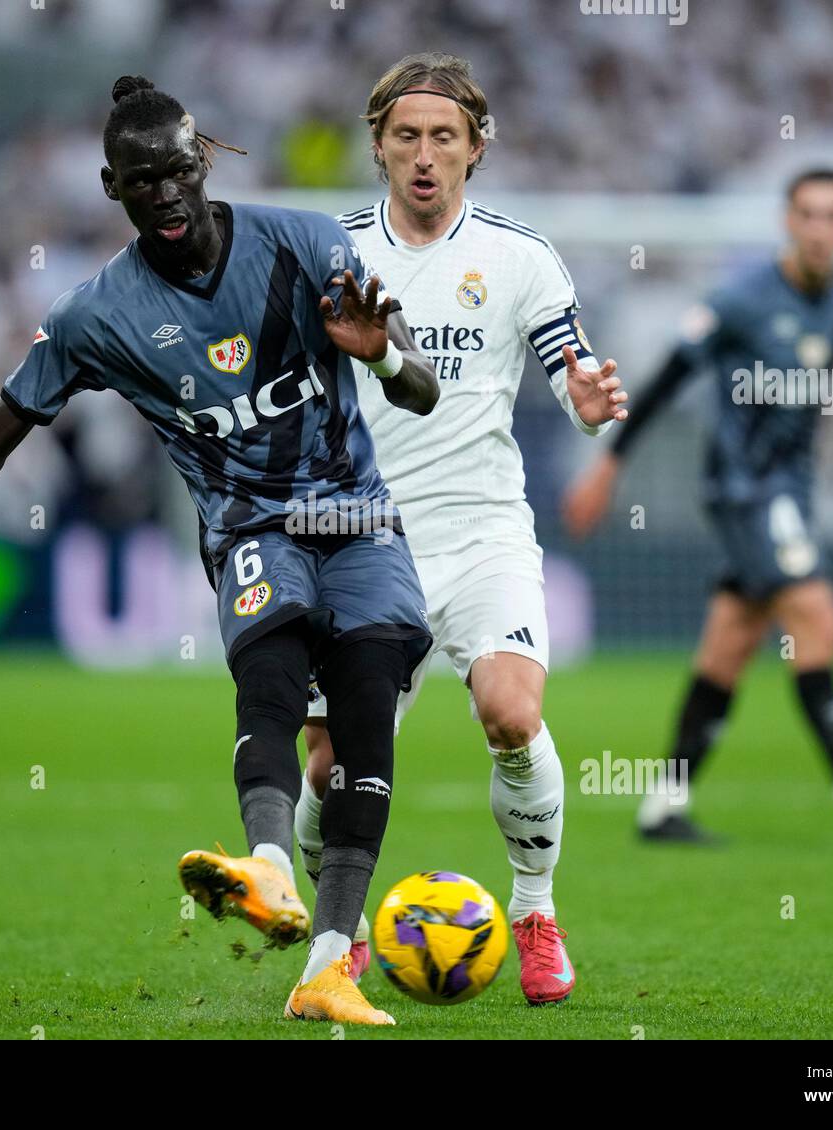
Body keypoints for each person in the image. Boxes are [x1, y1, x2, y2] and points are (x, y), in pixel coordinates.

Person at [0, 76, 441, 1026]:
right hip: (247, 527)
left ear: (205, 161)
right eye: (139, 181)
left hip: (358, 519)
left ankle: (326, 966)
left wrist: (380, 353)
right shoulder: (94, 316)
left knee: (364, 726)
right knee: (269, 671)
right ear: (112, 188)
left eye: (175, 172)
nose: (162, 195)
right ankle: (268, 867)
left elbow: (420, 392)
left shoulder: (306, 243)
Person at [295, 53, 628, 1006]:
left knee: (513, 716)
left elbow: (573, 370)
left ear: (477, 148)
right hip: (360, 538)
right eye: (408, 136)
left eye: (445, 136)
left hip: (483, 530)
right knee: (329, 765)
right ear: (379, 147)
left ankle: (533, 909)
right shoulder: (333, 250)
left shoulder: (520, 255)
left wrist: (592, 400)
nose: (426, 154)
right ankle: (344, 929)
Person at [564, 168, 833, 847]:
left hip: (791, 486)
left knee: (731, 643)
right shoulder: (740, 299)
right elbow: (666, 379)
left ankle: (662, 806)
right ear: (788, 221)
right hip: (742, 488)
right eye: (809, 214)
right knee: (817, 615)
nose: (821, 229)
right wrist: (608, 464)